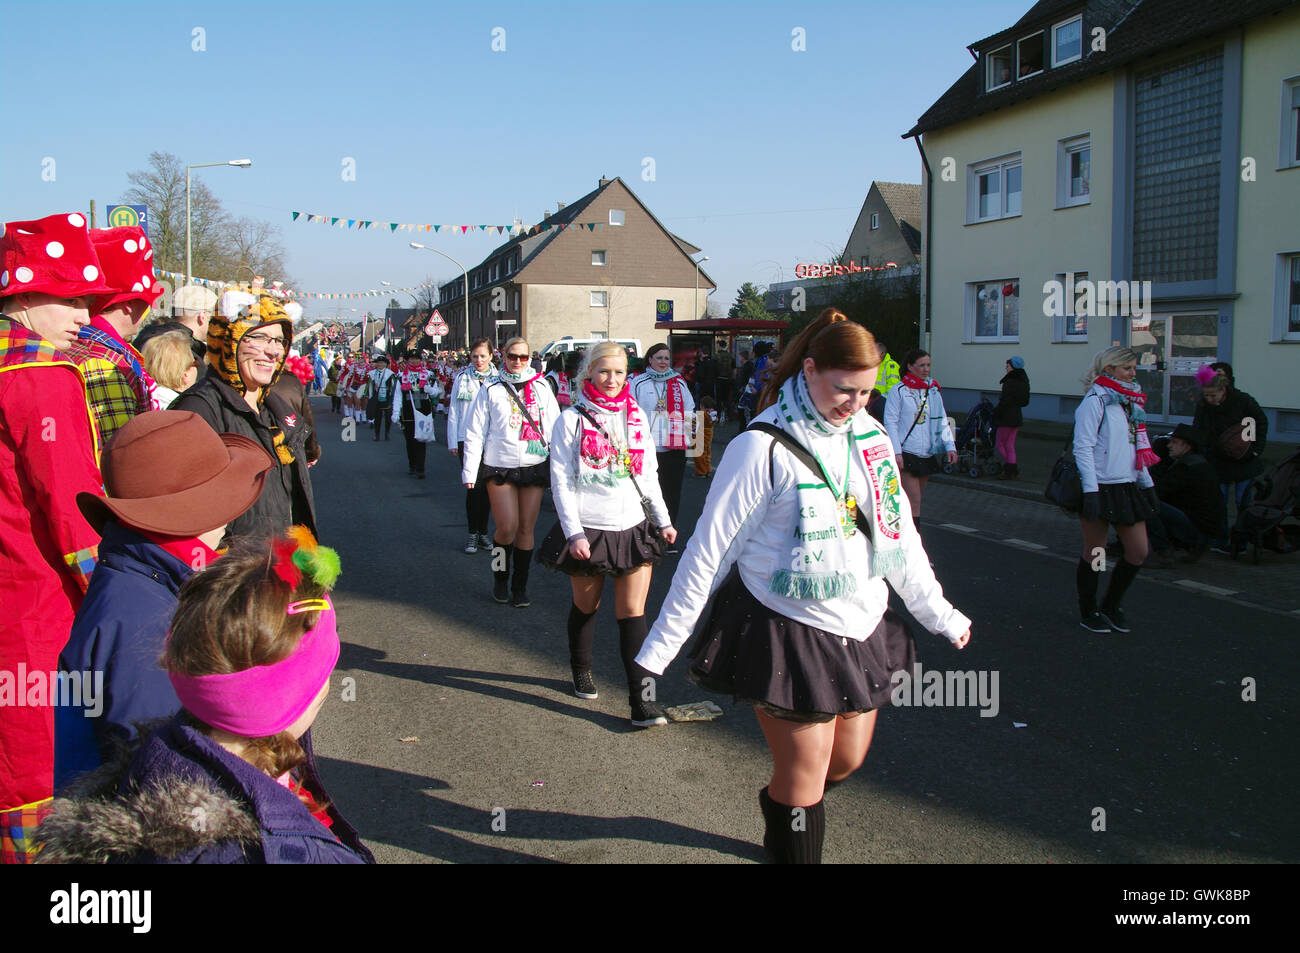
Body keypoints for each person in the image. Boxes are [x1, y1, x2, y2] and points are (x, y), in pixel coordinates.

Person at [634, 309, 971, 863]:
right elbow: (709, 553)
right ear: (810, 369)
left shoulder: (873, 437)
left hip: (861, 618)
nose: (856, 404)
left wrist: (940, 613)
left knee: (847, 760)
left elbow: (898, 537)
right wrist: (660, 648)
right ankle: (793, 827)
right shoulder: (759, 446)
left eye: (867, 392)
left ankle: (781, 808)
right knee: (807, 774)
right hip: (786, 621)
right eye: (845, 390)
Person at [35, 534, 374, 864]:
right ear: (290, 700)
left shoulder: (152, 765)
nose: (328, 687)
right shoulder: (266, 850)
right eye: (324, 673)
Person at [54, 410, 274, 787]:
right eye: (221, 498)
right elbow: (159, 776)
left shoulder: (140, 577)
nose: (229, 518)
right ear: (187, 515)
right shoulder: (144, 624)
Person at [0, 212, 110, 861]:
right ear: (21, 293)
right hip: (41, 623)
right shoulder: (42, 376)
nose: (83, 313)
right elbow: (78, 530)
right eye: (68, 296)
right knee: (41, 796)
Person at [540, 341, 678, 727]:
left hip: (633, 527)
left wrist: (663, 521)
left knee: (633, 614)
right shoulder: (571, 420)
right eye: (604, 371)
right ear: (589, 373)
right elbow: (562, 482)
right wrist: (574, 534)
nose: (612, 379)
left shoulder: (636, 416)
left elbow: (648, 475)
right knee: (587, 606)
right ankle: (581, 667)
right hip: (589, 530)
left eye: (619, 372)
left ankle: (642, 702)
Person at [172, 290, 317, 539]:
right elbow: (182, 512)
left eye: (279, 340)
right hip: (234, 572)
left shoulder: (276, 411)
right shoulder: (198, 410)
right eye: (259, 337)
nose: (273, 351)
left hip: (280, 566)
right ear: (228, 341)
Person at [462, 336, 561, 606]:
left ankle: (520, 586)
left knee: (526, 529)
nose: (517, 362)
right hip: (499, 464)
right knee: (507, 527)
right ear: (502, 356)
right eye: (512, 356)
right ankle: (500, 578)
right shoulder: (490, 387)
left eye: (523, 357)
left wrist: (559, 469)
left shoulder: (541, 386)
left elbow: (555, 429)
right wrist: (470, 472)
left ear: (531, 359)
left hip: (533, 464)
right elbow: (475, 431)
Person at [1073, 346, 1161, 633]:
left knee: (1138, 551)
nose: (1133, 373)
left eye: (1134, 368)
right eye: (1128, 368)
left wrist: (1147, 483)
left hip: (1126, 484)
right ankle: (1089, 611)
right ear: (1109, 369)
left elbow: (1138, 446)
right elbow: (1083, 448)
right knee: (1095, 553)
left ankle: (1111, 604)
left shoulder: (1131, 402)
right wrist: (1090, 491)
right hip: (1099, 485)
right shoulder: (1095, 400)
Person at [64, 226, 165, 450]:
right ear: (129, 305)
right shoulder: (100, 360)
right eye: (146, 302)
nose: (148, 310)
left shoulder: (95, 346)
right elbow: (123, 454)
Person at [1192, 365, 1268, 552]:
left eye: (1213, 396)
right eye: (1206, 395)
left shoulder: (1242, 400)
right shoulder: (1203, 406)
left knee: (1243, 503)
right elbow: (1198, 430)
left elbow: (1261, 421)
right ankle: (1220, 538)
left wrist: (1257, 449)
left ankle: (1241, 541)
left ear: (1223, 390)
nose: (1210, 400)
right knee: (1219, 502)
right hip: (1218, 460)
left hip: (1245, 459)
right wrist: (1202, 452)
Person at [630, 342, 694, 548]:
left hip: (673, 448)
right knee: (645, 493)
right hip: (647, 448)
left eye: (666, 358)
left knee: (671, 493)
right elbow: (629, 412)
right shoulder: (638, 382)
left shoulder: (679, 382)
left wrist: (694, 444)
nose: (663, 362)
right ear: (649, 359)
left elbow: (690, 410)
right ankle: (645, 534)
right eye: (659, 357)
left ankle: (667, 536)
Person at [883, 349, 957, 524]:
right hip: (907, 451)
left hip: (927, 452)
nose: (926, 369)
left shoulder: (933, 390)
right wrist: (896, 451)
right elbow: (890, 422)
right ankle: (913, 539)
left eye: (928, 365)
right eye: (921, 365)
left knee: (914, 501)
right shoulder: (898, 390)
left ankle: (904, 533)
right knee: (913, 500)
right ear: (910, 366)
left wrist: (950, 446)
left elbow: (943, 419)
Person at [1145, 424, 1224, 565]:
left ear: (1187, 446)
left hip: (1198, 528)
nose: (1169, 446)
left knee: (1147, 503)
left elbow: (1159, 490)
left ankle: (1163, 552)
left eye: (1174, 442)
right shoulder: (1197, 463)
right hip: (1205, 527)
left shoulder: (1186, 468)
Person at [448, 338, 499, 553]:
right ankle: (472, 533)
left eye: (483, 356)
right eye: (475, 356)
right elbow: (454, 411)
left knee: (488, 489)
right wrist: (452, 440)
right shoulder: (461, 377)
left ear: (490, 356)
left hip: (492, 439)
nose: (479, 360)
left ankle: (483, 533)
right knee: (473, 487)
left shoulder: (498, 379)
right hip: (466, 438)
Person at [397, 360, 440, 478]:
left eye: (416, 359)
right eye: (411, 359)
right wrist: (396, 413)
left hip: (423, 412)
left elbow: (436, 393)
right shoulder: (401, 376)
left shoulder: (428, 375)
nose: (414, 361)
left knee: (421, 440)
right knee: (410, 441)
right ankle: (412, 464)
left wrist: (429, 389)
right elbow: (397, 395)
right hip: (408, 412)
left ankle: (421, 468)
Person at [141, 328, 202, 407]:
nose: (197, 368)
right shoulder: (186, 409)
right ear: (185, 373)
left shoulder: (142, 400)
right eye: (195, 363)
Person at [993, 356, 1031, 480]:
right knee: (1009, 445)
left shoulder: (1009, 382)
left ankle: (1010, 468)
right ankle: (1012, 469)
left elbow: (1004, 402)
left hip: (1006, 417)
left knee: (999, 444)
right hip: (1017, 417)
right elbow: (1025, 402)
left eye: (1008, 366)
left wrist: (996, 413)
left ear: (1013, 367)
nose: (1006, 368)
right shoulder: (1024, 381)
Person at [368, 354, 396, 440]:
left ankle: (387, 433)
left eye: (382, 363)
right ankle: (377, 435)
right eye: (379, 363)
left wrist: (393, 398)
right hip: (377, 397)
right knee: (377, 417)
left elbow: (393, 387)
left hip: (387, 397)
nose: (380, 364)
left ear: (386, 364)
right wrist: (370, 397)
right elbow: (369, 386)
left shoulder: (390, 374)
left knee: (388, 416)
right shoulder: (372, 373)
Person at [694, 396, 717, 477]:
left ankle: (701, 471)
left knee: (699, 456)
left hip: (701, 437)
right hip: (708, 438)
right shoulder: (713, 415)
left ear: (703, 406)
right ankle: (708, 469)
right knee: (707, 454)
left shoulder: (702, 415)